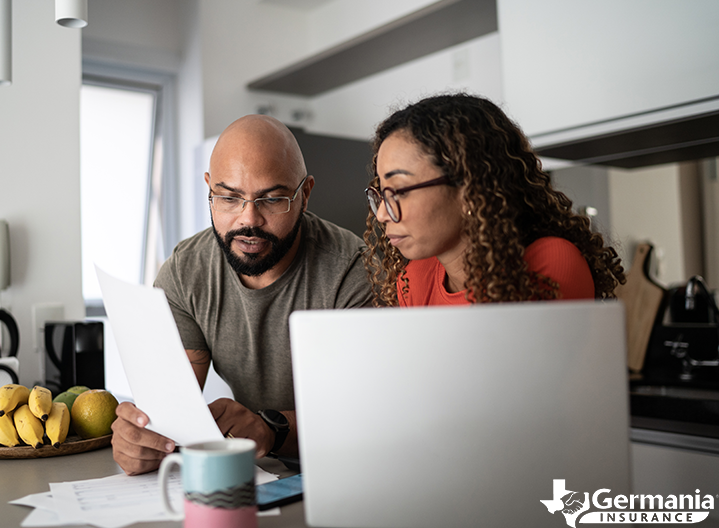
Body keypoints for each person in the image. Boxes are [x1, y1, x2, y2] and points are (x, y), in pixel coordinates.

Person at [112, 115, 373, 475]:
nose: (248, 220)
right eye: (229, 197)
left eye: (271, 199)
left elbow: (365, 414)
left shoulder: (352, 271)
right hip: (259, 473)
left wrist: (270, 428)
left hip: (351, 467)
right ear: (208, 189)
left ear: (305, 194)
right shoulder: (185, 273)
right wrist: (142, 439)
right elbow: (169, 411)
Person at [362, 93, 625, 307]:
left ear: (469, 190)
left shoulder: (548, 263)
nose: (382, 214)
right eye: (381, 193)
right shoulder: (415, 279)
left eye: (400, 190)